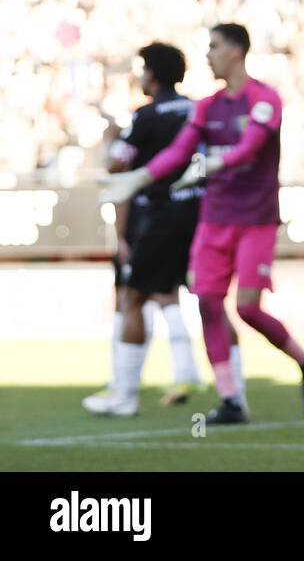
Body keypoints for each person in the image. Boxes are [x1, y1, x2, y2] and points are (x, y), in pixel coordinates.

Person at [102, 23, 304, 424]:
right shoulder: (206, 106)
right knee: (206, 300)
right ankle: (231, 401)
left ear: (236, 51)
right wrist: (142, 176)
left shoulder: (264, 98)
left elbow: (250, 146)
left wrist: (211, 165)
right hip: (214, 218)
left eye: (214, 47)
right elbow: (180, 151)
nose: (208, 55)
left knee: (248, 310)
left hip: (255, 219)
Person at [83, 43, 204, 416]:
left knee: (133, 297)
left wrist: (109, 139)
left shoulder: (146, 116)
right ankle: (192, 374)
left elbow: (116, 165)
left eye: (142, 69)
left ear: (151, 73)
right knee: (172, 294)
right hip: (197, 211)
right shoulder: (197, 109)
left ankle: (124, 394)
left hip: (156, 214)